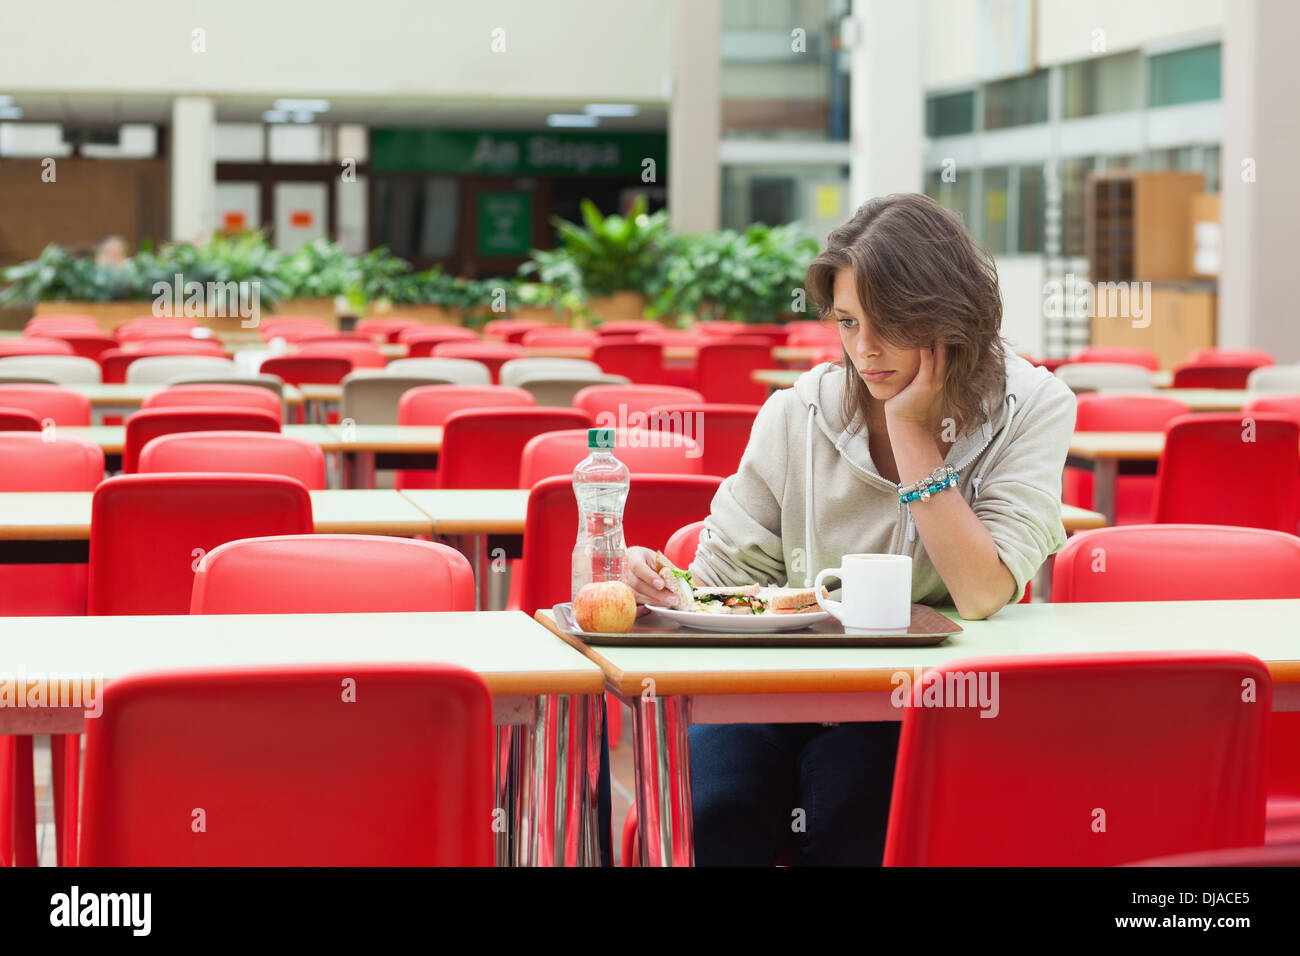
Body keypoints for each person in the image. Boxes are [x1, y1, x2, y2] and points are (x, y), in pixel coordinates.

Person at [625, 193, 1077, 866]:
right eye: (846, 322)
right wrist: (665, 584)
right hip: (772, 695)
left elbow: (983, 592)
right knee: (714, 812)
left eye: (889, 324)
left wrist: (913, 435)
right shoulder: (796, 413)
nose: (864, 351)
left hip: (921, 703)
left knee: (860, 819)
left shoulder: (1034, 407)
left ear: (951, 317)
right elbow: (720, 584)